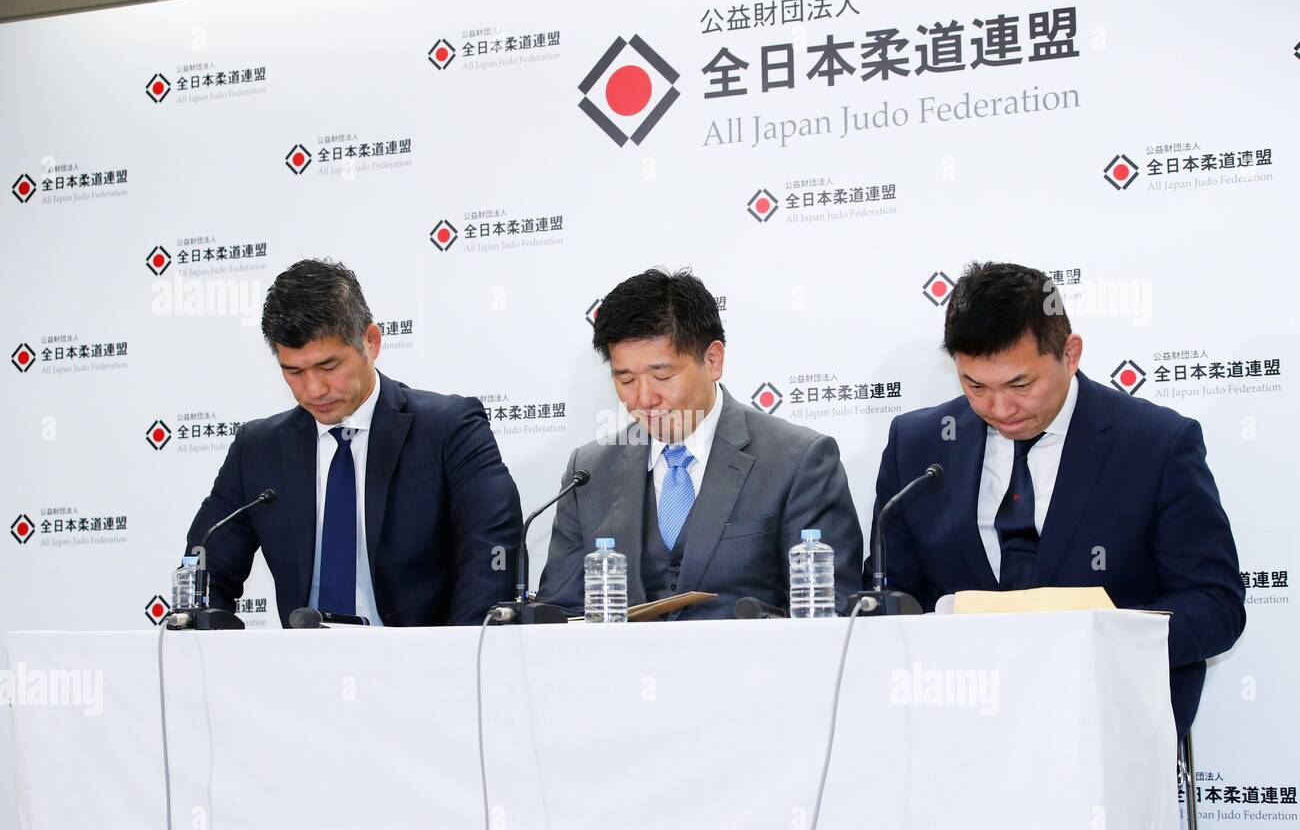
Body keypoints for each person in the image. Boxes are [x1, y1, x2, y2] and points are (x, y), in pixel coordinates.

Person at [867, 260, 1245, 738]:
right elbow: (891, 596)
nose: (999, 409)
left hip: (1107, 724)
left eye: (1020, 385)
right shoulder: (916, 445)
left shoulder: (1155, 444)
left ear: (1070, 353)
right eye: (975, 386)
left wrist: (1105, 643)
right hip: (952, 728)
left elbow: (1214, 603)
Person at [185, 258, 522, 627]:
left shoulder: (449, 428)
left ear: (371, 341)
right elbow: (206, 572)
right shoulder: (257, 448)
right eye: (293, 371)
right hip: (302, 657)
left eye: (328, 366)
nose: (313, 389)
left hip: (422, 656)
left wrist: (454, 653)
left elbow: (491, 553)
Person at [537, 267, 863, 619]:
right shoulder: (588, 472)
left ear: (713, 360)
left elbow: (829, 615)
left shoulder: (798, 460)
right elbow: (560, 613)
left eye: (662, 375)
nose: (644, 399)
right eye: (626, 380)